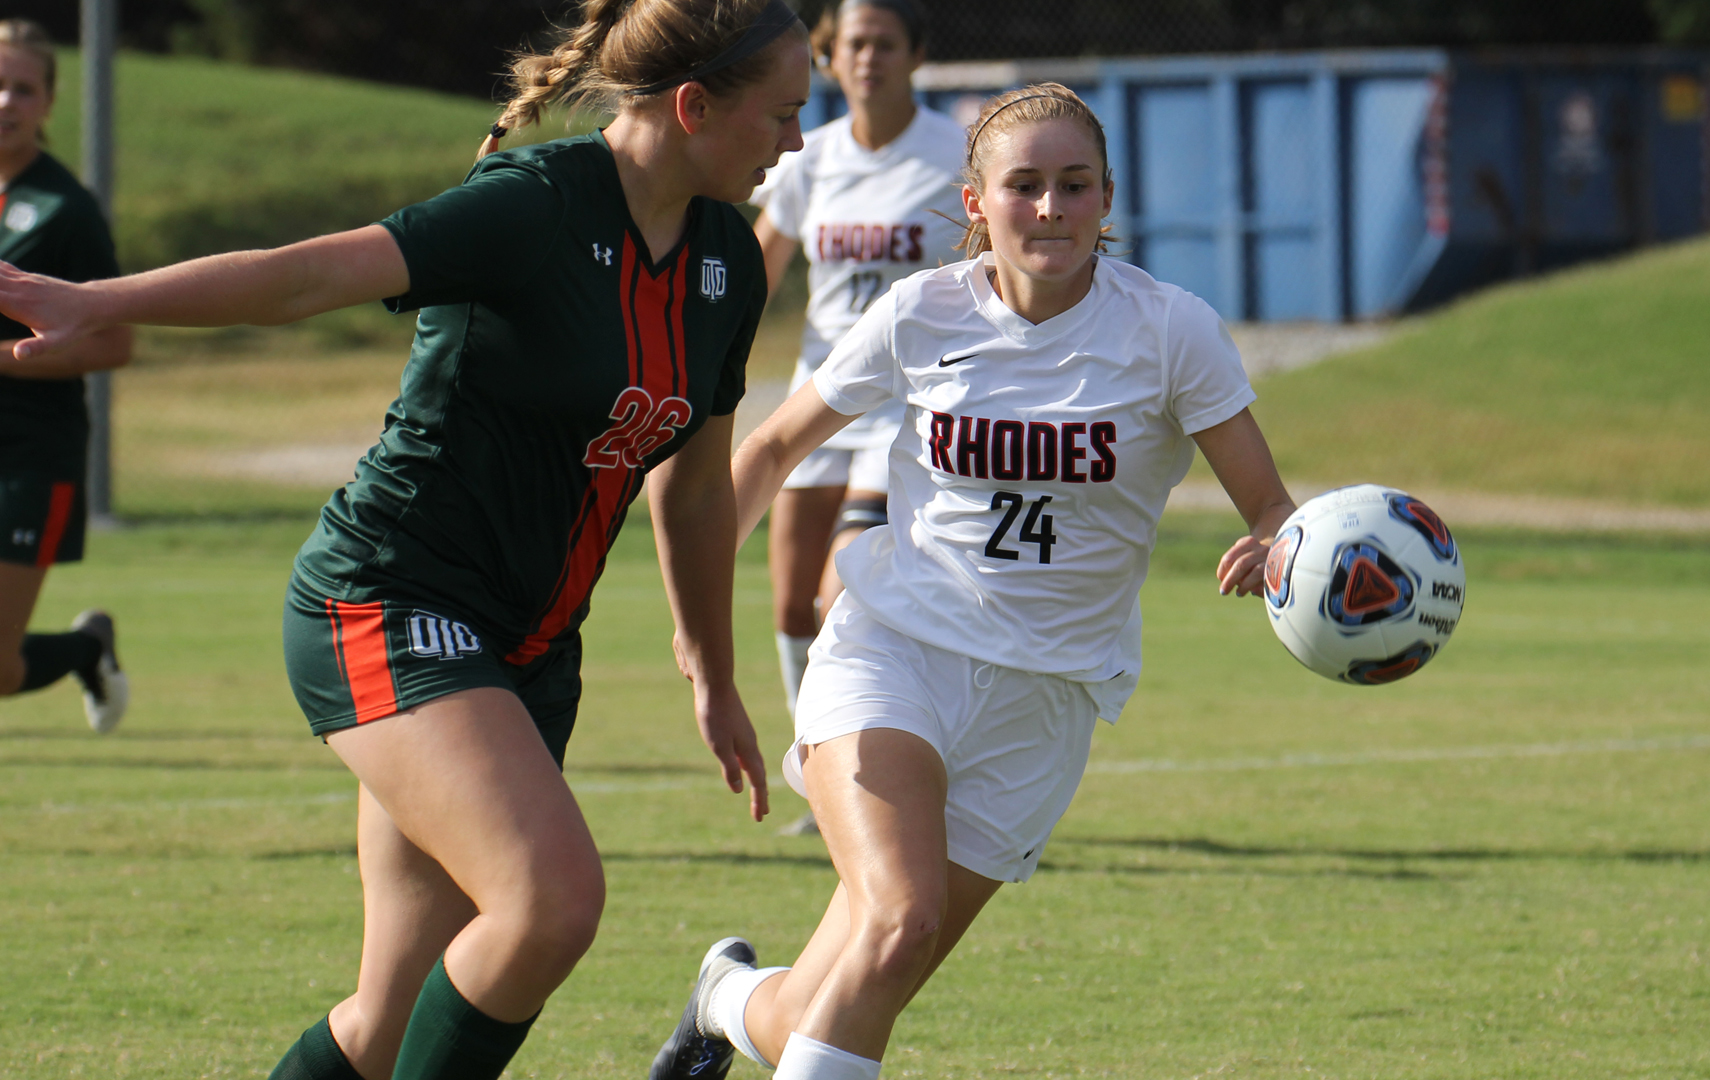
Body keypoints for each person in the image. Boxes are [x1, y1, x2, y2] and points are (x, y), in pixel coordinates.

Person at [0, 3, 810, 1078]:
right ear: (696, 106)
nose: (798, 142)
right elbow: (305, 276)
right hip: (387, 599)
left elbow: (697, 489)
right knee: (549, 903)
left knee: (382, 1028)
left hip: (528, 650)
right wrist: (91, 298)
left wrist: (710, 666)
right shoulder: (532, 206)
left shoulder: (727, 262)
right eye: (787, 114)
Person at [649, 83, 1297, 1080]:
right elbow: (774, 446)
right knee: (901, 922)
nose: (1049, 210)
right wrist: (694, 610)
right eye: (1024, 186)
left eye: (1073, 187)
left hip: (1048, 701)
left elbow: (1271, 504)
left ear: (1107, 199)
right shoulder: (923, 312)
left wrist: (1275, 543)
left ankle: (724, 998)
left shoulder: (1173, 332)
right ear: (975, 203)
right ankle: (732, 1001)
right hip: (894, 654)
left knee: (834, 999)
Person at [750, 0, 965, 747]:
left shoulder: (956, 154)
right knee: (788, 606)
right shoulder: (810, 156)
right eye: (852, 43)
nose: (867, 57)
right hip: (818, 397)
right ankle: (817, 762)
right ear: (827, 56)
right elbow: (756, 271)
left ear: (916, 54)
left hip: (905, 403)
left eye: (884, 43)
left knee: (841, 591)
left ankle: (865, 757)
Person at [0, 18, 132, 734]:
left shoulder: (65, 209)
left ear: (48, 103)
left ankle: (87, 649)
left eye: (22, 88)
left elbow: (115, 342)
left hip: (27, 455)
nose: (4, 101)